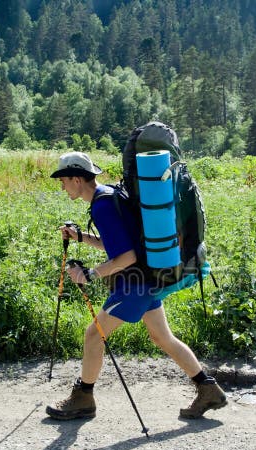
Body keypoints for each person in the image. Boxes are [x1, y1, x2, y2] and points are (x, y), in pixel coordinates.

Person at [46, 151, 227, 421]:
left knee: (93, 335)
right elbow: (118, 244)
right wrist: (82, 237)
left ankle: (83, 399)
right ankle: (208, 389)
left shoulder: (102, 205)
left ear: (76, 178)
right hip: (147, 278)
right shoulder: (108, 196)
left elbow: (127, 257)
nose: (61, 186)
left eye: (63, 180)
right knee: (161, 338)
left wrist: (91, 274)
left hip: (135, 284)